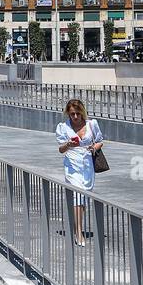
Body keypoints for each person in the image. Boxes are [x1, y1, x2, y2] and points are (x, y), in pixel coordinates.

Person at [55, 98, 105, 248]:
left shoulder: (92, 124)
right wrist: (68, 144)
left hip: (87, 164)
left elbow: (100, 140)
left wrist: (94, 148)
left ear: (82, 112)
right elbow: (60, 150)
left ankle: (78, 225)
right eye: (72, 114)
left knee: (84, 196)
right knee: (77, 195)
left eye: (77, 113)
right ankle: (78, 231)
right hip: (72, 164)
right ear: (68, 114)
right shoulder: (63, 127)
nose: (75, 117)